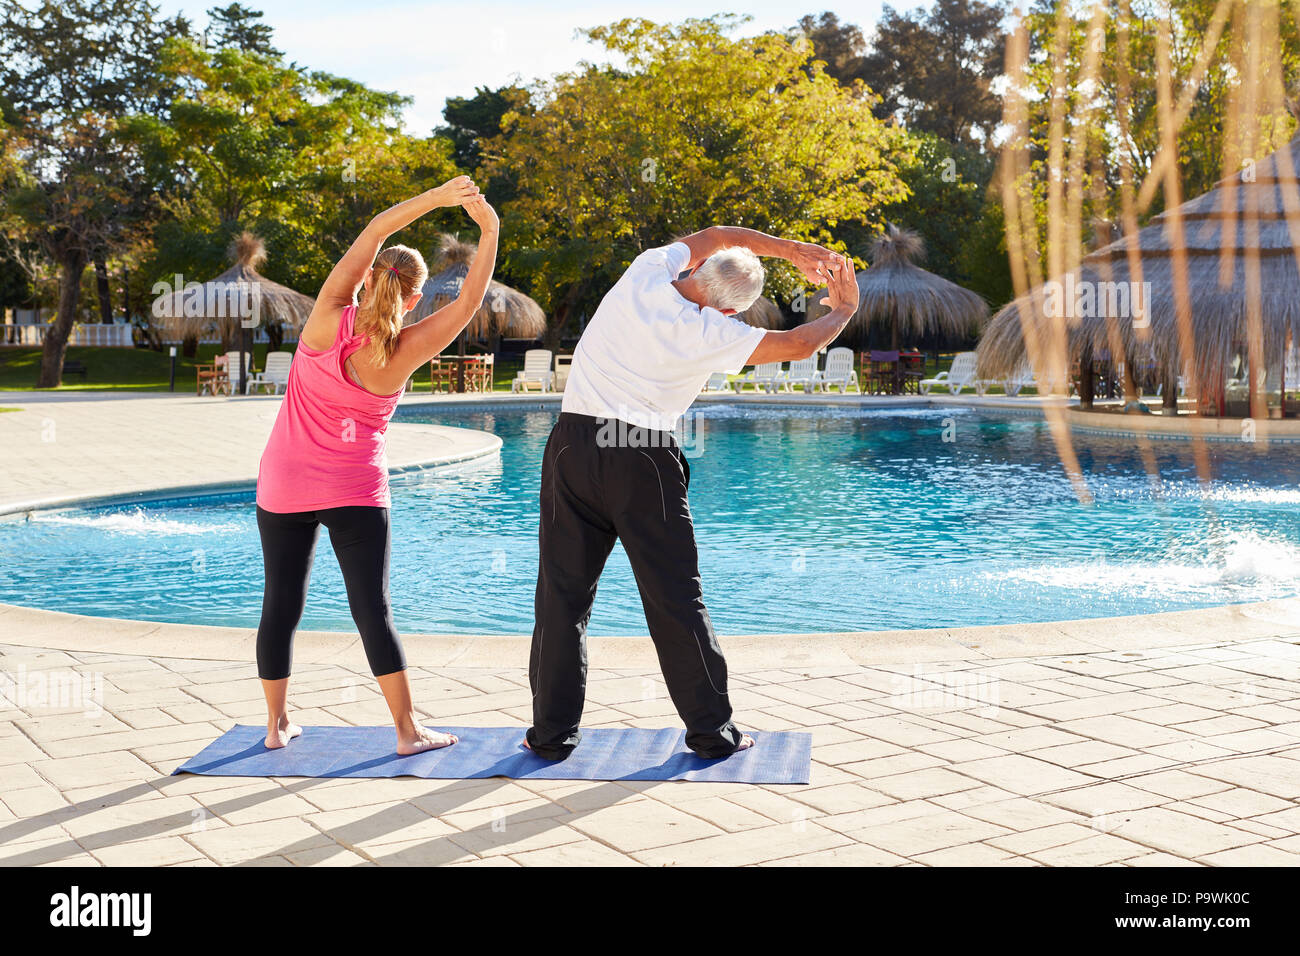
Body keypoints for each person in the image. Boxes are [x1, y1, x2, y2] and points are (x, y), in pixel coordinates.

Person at [526, 226, 860, 760]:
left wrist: (790, 250)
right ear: (731, 311)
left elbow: (718, 233)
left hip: (571, 444)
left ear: (694, 270)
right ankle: (710, 731)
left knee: (561, 597)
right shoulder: (713, 332)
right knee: (675, 598)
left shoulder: (644, 275)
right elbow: (800, 343)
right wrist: (842, 309)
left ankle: (550, 735)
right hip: (640, 456)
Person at [254, 176, 499, 754]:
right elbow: (468, 301)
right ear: (414, 298)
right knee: (372, 611)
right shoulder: (405, 350)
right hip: (354, 490)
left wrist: (436, 197)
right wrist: (488, 226)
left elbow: (374, 232)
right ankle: (407, 732)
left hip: (283, 481)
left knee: (280, 604)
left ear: (367, 279)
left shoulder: (325, 316)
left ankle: (275, 726)